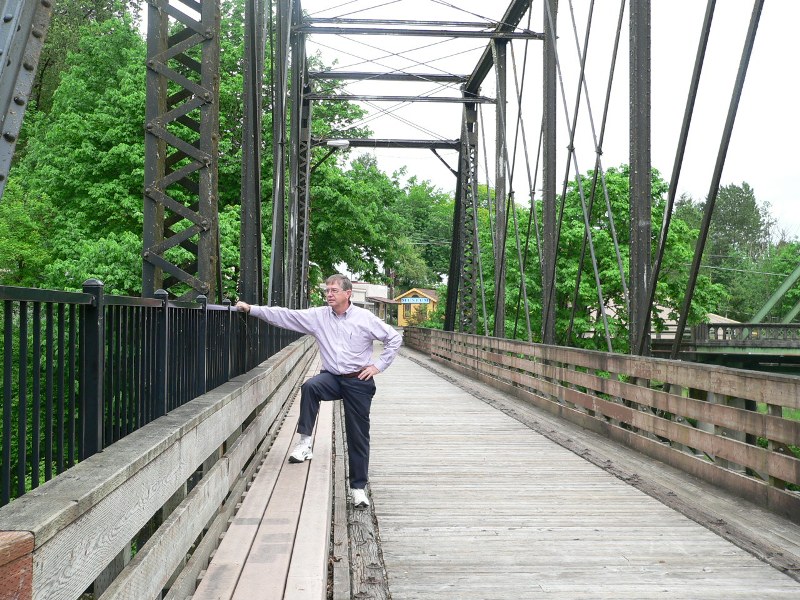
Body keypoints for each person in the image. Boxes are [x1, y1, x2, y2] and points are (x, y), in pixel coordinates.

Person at [235, 274, 402, 509]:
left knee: (358, 434)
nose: (329, 294)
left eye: (334, 290)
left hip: (357, 380)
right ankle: (305, 443)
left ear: (348, 294)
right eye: (327, 290)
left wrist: (378, 366)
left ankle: (358, 488)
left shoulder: (364, 318)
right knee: (311, 386)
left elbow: (394, 338)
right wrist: (252, 309)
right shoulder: (319, 317)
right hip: (332, 377)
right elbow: (285, 316)